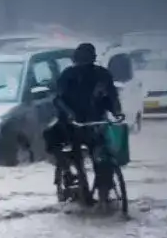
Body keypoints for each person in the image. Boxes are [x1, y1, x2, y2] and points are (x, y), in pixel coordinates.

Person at [46, 43, 125, 190]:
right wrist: (69, 114)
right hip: (72, 123)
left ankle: (105, 184)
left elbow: (112, 96)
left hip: (96, 122)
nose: (83, 66)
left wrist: (117, 111)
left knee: (103, 155)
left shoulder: (103, 75)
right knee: (52, 137)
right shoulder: (68, 75)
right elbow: (58, 99)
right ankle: (68, 171)